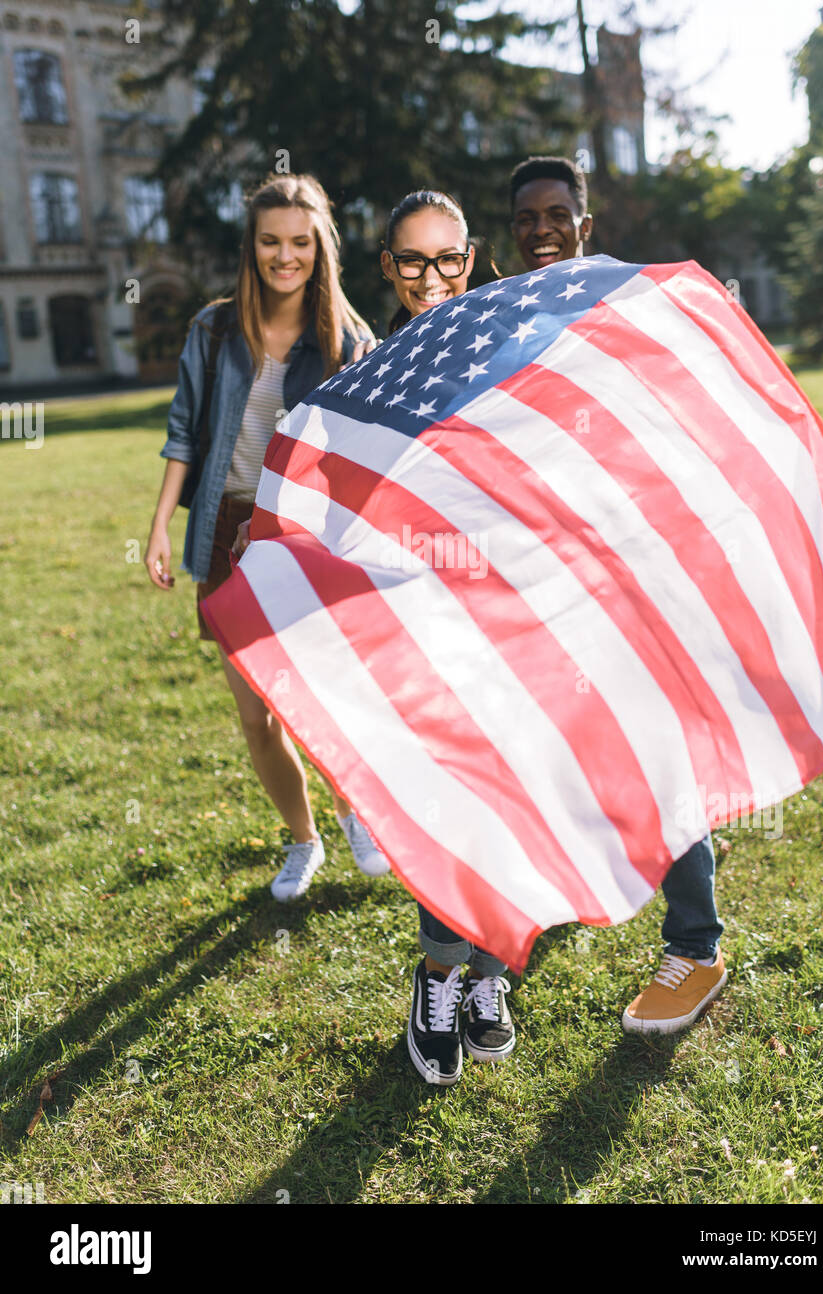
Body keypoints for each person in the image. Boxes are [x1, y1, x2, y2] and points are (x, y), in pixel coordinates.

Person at [510, 155, 727, 1034]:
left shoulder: (621, 302)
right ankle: (571, 885)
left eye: (555, 213)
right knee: (562, 741)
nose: (541, 230)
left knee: (656, 748)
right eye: (525, 218)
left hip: (632, 567)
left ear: (584, 224)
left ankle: (696, 946)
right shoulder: (503, 317)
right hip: (542, 570)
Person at [145, 173, 389, 902]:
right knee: (256, 715)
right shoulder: (213, 330)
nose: (286, 256)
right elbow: (184, 432)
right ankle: (303, 839)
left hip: (301, 534)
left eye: (300, 242)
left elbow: (364, 451)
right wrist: (159, 527)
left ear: (321, 248)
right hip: (226, 530)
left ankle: (353, 810)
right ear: (251, 246)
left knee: (321, 694)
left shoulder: (347, 340)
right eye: (270, 241)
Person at [379, 190, 516, 1085]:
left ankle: (489, 973)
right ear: (388, 266)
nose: (431, 276)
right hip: (422, 616)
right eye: (412, 259)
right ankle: (437, 976)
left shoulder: (511, 340)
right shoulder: (373, 369)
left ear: (470, 256)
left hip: (510, 611)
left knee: (507, 800)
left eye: (448, 257)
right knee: (447, 805)